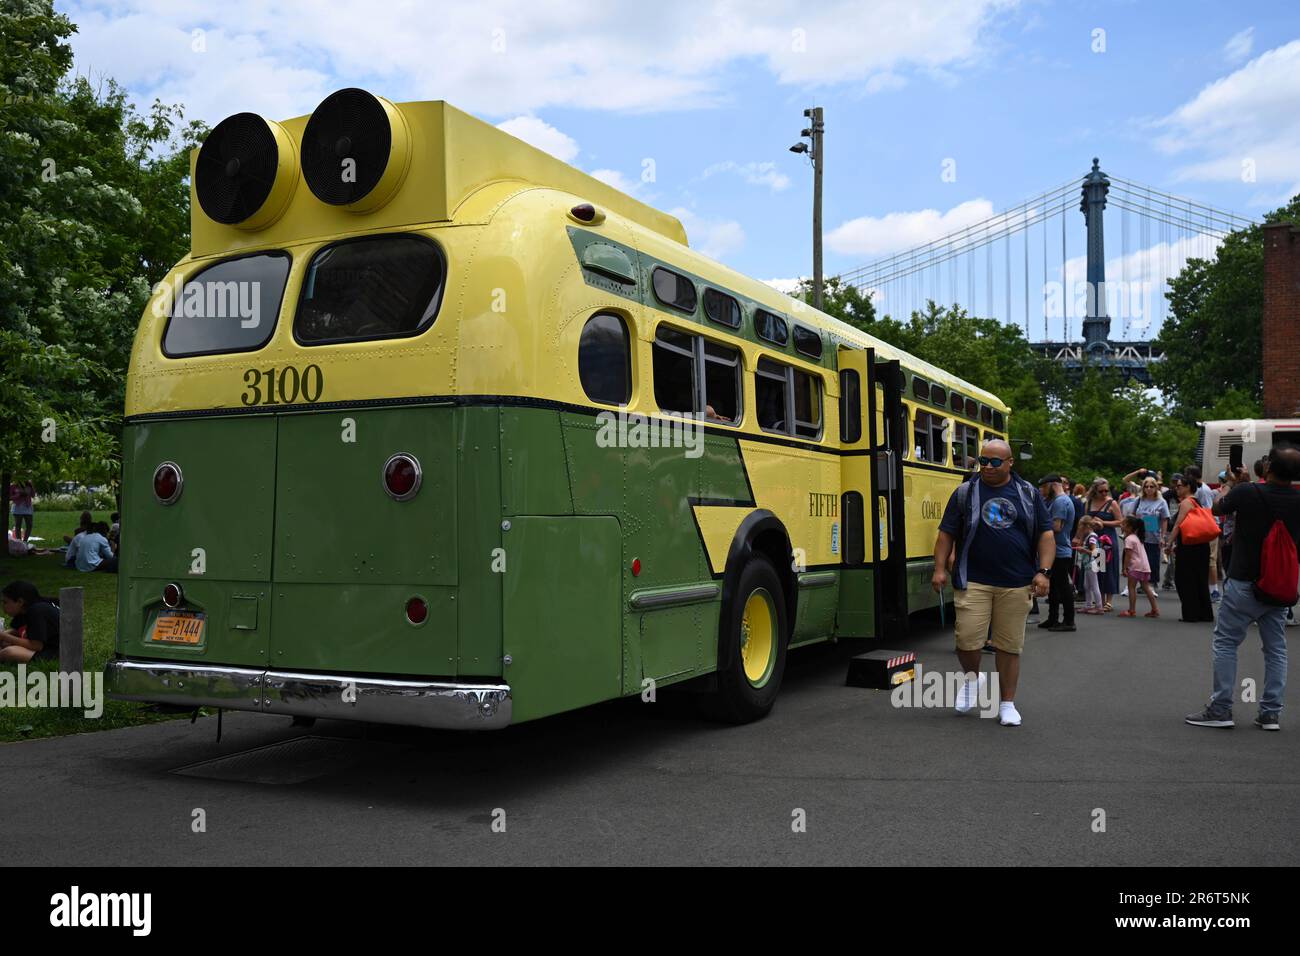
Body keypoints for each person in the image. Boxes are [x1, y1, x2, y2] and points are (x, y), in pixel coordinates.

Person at [932, 439, 1053, 727]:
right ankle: (974, 679)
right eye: (982, 461)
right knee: (966, 640)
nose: (986, 467)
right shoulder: (965, 492)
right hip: (973, 579)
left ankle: (1007, 703)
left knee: (1009, 646)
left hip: (1016, 581)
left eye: (994, 462)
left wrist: (1043, 572)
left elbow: (1046, 535)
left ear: (1010, 463)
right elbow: (946, 533)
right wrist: (939, 568)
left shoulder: (1028, 493)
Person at [1185, 448, 1300, 730]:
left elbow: (1216, 508)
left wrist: (1240, 483)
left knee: (1226, 642)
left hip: (1243, 582)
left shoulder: (1247, 492)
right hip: (1278, 585)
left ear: (1268, 467)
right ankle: (1270, 712)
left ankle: (1221, 708)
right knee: (1276, 649)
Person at [1166, 475, 1215, 622]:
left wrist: (1169, 543)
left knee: (1184, 579)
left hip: (1189, 546)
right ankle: (1204, 613)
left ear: (1188, 487)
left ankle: (1191, 613)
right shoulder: (1196, 501)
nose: (1177, 488)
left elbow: (1178, 525)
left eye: (1180, 486)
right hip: (1200, 545)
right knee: (1199, 579)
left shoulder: (1187, 502)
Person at [1037, 474, 1076, 632]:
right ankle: (1053, 618)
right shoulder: (1057, 500)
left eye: (1044, 487)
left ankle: (1068, 621)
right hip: (1057, 549)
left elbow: (1056, 526)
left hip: (1059, 550)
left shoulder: (1060, 502)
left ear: (1053, 485)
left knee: (1062, 586)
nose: (1042, 491)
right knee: (1053, 586)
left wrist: (1038, 527)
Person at [1084, 478, 1123, 611]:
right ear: (1095, 490)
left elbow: (1120, 522)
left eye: (1107, 490)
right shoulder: (1089, 502)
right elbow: (1085, 519)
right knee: (1096, 568)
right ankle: (1098, 598)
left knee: (1108, 567)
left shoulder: (1112, 503)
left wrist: (1103, 523)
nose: (1105, 493)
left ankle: (1109, 601)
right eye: (1101, 491)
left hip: (1107, 539)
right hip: (1094, 538)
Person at [0, 580, 61, 663]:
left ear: (20, 602)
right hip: (44, 645)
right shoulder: (25, 610)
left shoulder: (37, 611)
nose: (3, 606)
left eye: (5, 602)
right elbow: (17, 630)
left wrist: (4, 636)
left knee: (8, 652)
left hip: (58, 652)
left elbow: (36, 646)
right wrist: (4, 635)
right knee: (5, 644)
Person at [1185, 465, 1221, 602]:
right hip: (1206, 526)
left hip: (1208, 526)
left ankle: (1214, 591)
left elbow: (1206, 510)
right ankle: (1207, 589)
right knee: (1205, 560)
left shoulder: (1203, 490)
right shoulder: (1202, 488)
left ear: (1192, 476)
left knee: (1211, 561)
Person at [1119, 515, 1159, 618]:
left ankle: (1132, 610)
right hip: (1144, 566)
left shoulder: (1129, 539)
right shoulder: (1137, 538)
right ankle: (1155, 609)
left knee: (1131, 587)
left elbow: (1128, 555)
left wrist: (1124, 568)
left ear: (1129, 527)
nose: (1121, 525)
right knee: (1146, 587)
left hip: (1135, 566)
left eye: (1123, 524)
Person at [1075, 516, 1104, 614]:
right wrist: (1081, 537)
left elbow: (1094, 551)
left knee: (1094, 585)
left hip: (1092, 563)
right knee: (1086, 585)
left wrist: (1083, 550)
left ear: (1086, 526)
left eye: (1080, 526)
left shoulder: (1092, 537)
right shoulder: (1087, 536)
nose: (1079, 528)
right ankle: (1088, 605)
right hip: (1088, 564)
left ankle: (1099, 607)